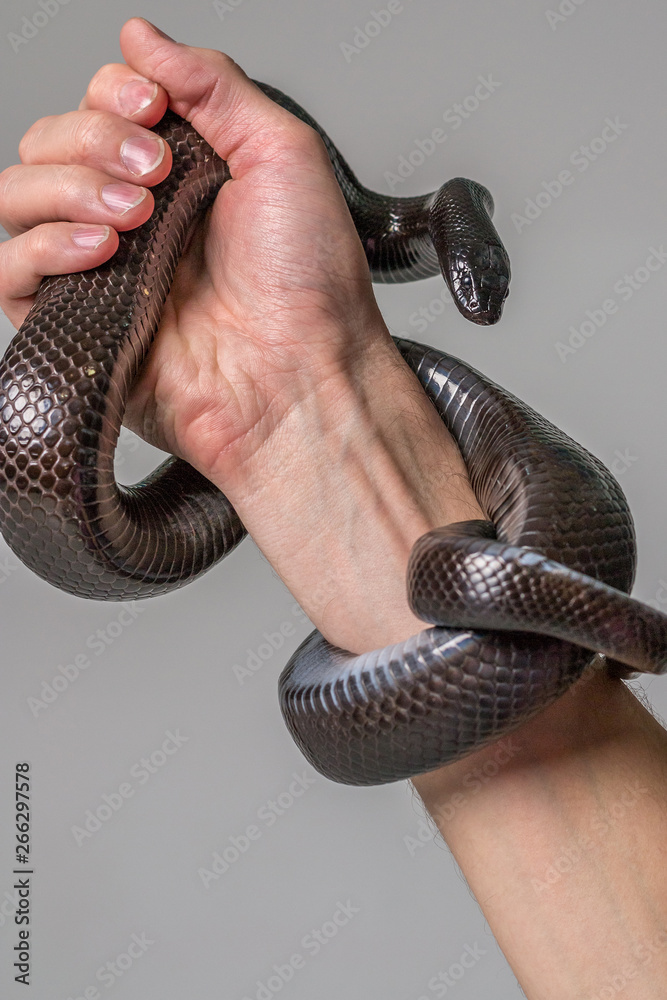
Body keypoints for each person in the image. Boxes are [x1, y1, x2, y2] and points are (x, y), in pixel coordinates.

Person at [0, 18, 665, 998]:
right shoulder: (386, 221)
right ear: (449, 239)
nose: (473, 296)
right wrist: (290, 420)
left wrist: (317, 396)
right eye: (466, 276)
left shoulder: (421, 233)